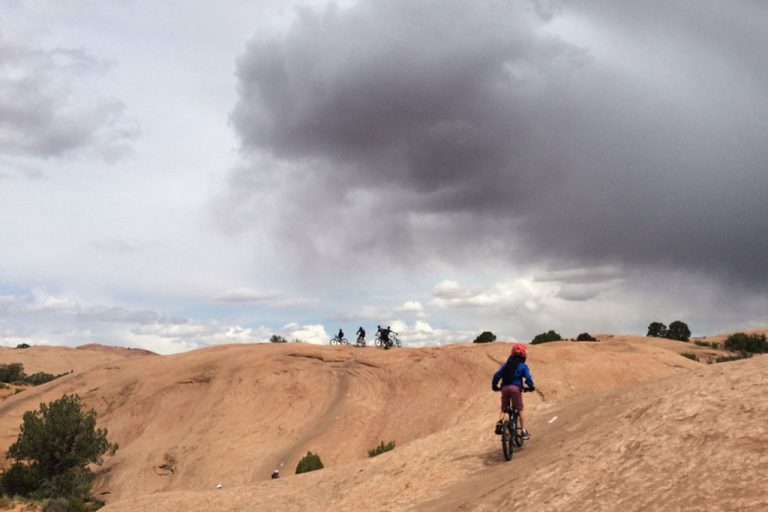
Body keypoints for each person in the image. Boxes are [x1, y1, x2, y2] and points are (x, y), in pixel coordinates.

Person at [492, 343, 535, 439]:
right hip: (515, 388)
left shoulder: (505, 365)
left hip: (505, 389)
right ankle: (523, 431)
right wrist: (531, 385)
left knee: (504, 408)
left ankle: (500, 423)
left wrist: (494, 385)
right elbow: (528, 377)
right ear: (524, 354)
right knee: (520, 410)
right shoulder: (523, 366)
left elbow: (496, 375)